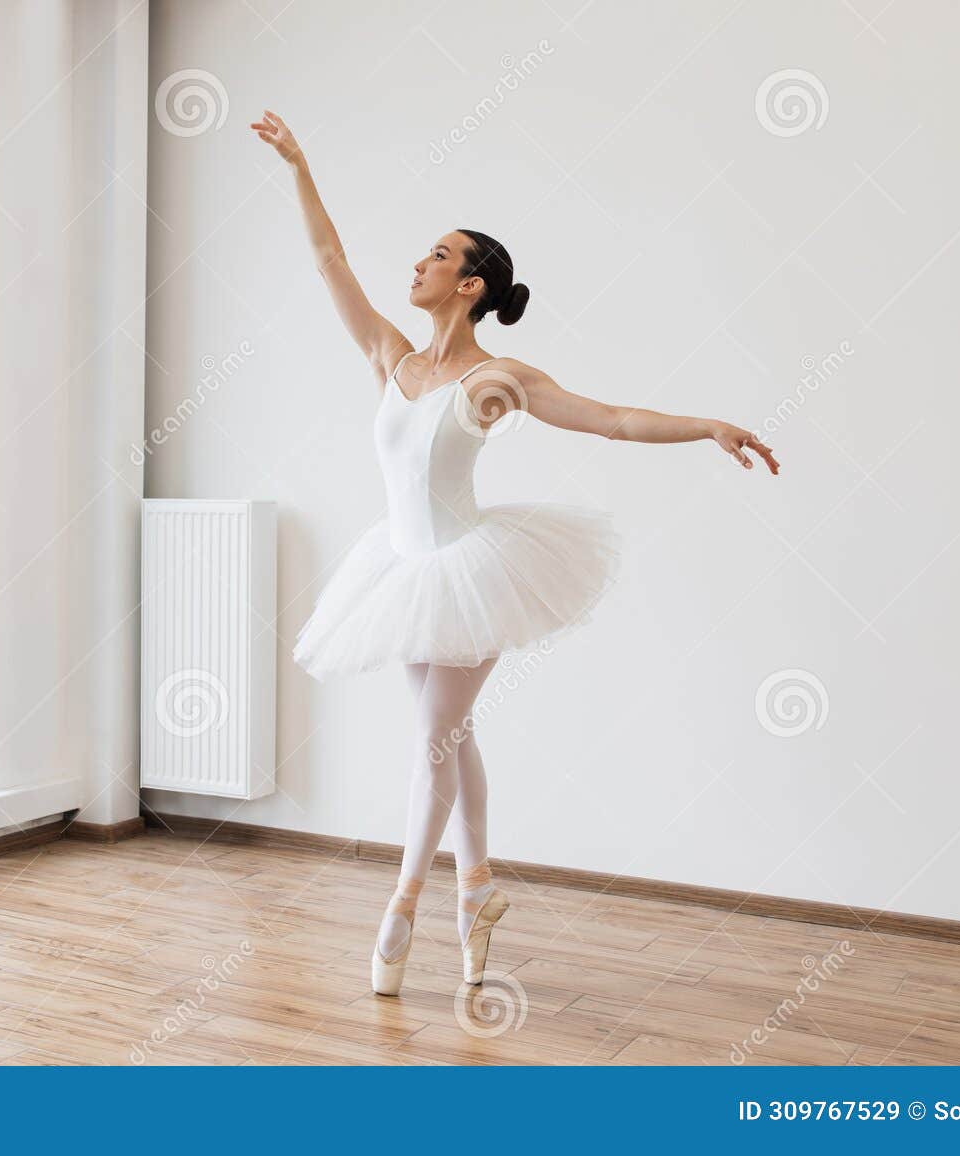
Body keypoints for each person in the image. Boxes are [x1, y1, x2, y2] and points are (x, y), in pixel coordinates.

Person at [251, 110, 781, 995]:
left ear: (471, 285)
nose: (418, 263)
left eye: (438, 255)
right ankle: (480, 890)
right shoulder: (391, 356)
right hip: (401, 573)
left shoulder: (499, 379)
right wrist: (300, 165)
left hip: (471, 574)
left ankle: (404, 908)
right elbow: (328, 262)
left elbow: (612, 419)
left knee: (431, 741)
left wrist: (708, 428)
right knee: (450, 740)